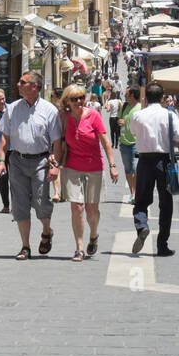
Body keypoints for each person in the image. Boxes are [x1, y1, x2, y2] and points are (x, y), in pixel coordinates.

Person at [0, 71, 63, 261]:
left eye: (22, 82)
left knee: (41, 202)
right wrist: (1, 160)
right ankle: (25, 246)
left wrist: (55, 165)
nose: (18, 85)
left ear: (34, 86)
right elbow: (4, 138)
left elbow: (57, 142)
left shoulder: (50, 110)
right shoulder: (13, 108)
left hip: (41, 161)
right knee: (19, 205)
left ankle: (47, 231)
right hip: (17, 161)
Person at [59, 85, 118, 261]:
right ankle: (79, 248)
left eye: (81, 98)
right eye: (74, 99)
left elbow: (106, 142)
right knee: (77, 207)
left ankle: (94, 234)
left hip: (94, 167)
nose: (79, 101)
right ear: (67, 101)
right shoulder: (63, 117)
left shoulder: (93, 115)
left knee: (92, 210)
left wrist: (113, 165)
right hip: (72, 167)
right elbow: (56, 139)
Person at [131, 81, 179, 257]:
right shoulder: (169, 115)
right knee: (166, 204)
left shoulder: (138, 115)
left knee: (141, 200)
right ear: (163, 98)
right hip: (164, 161)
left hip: (145, 161)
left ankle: (142, 226)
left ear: (145, 98)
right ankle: (162, 245)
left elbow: (133, 132)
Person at [118, 86, 139, 202]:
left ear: (132, 96)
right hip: (124, 143)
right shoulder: (124, 106)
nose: (125, 97)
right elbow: (120, 119)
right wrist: (121, 122)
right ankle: (132, 192)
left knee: (135, 168)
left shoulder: (140, 108)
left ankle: (135, 193)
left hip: (136, 143)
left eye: (126, 95)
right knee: (128, 169)